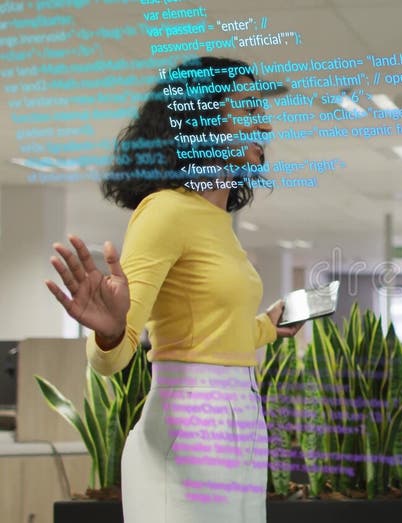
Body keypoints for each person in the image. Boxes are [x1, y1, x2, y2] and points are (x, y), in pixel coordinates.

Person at [43, 56, 303, 523]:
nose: (262, 122)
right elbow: (114, 357)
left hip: (242, 414)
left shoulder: (217, 221)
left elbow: (207, 333)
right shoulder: (164, 211)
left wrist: (266, 327)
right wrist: (108, 329)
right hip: (194, 422)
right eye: (245, 109)